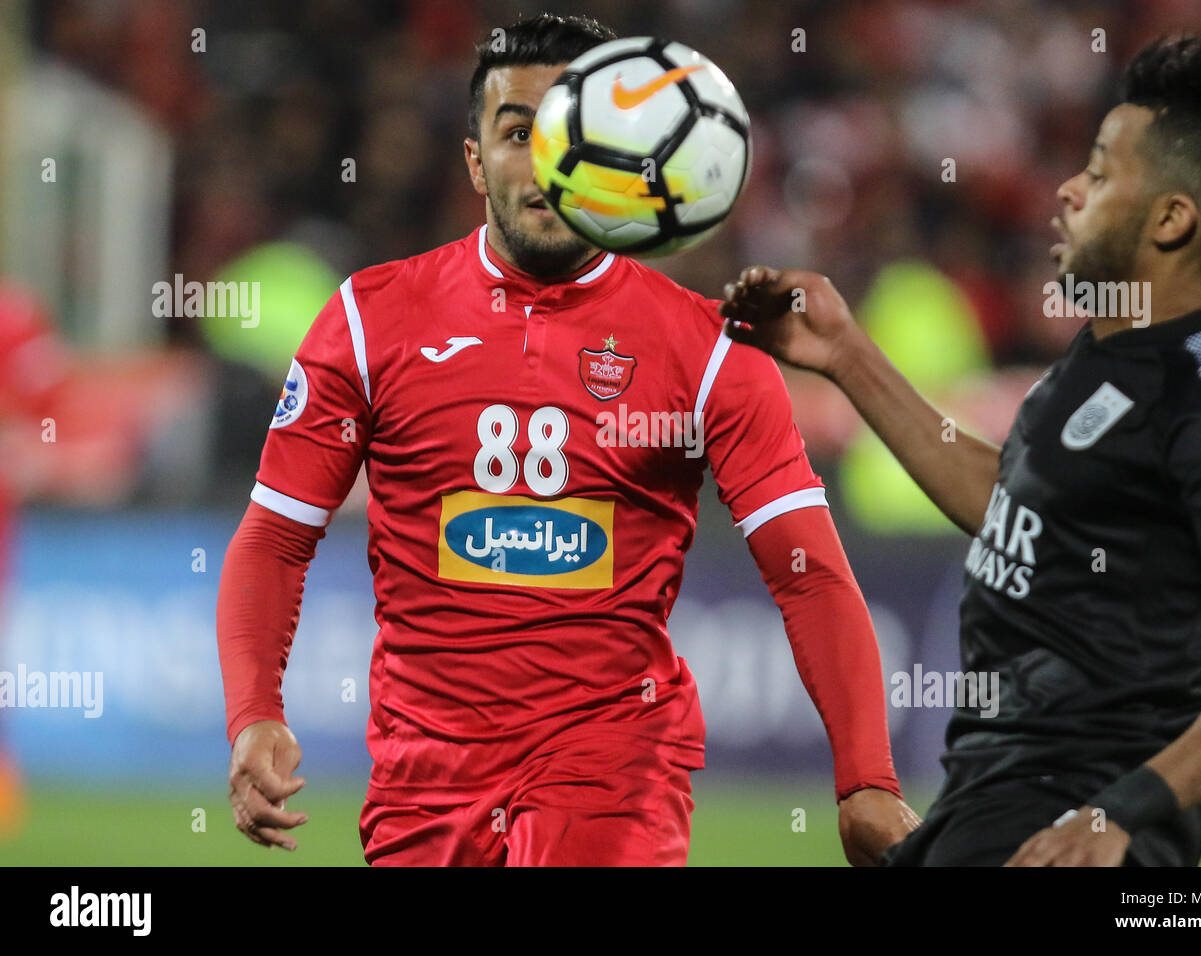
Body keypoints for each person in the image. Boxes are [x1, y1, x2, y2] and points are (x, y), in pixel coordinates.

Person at [217, 13, 919, 867]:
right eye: (518, 133)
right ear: (475, 160)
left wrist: (866, 780)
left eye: (572, 134)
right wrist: (254, 713)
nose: (548, 161)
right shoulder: (370, 322)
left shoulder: (709, 348)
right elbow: (275, 540)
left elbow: (809, 575)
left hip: (615, 770)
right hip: (421, 784)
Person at [720, 32, 1201, 866]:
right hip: (991, 807)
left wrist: (1115, 815)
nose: (1066, 189)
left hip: (1072, 827)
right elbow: (1013, 506)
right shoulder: (1112, 351)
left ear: (1172, 219)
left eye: (1100, 174)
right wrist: (846, 355)